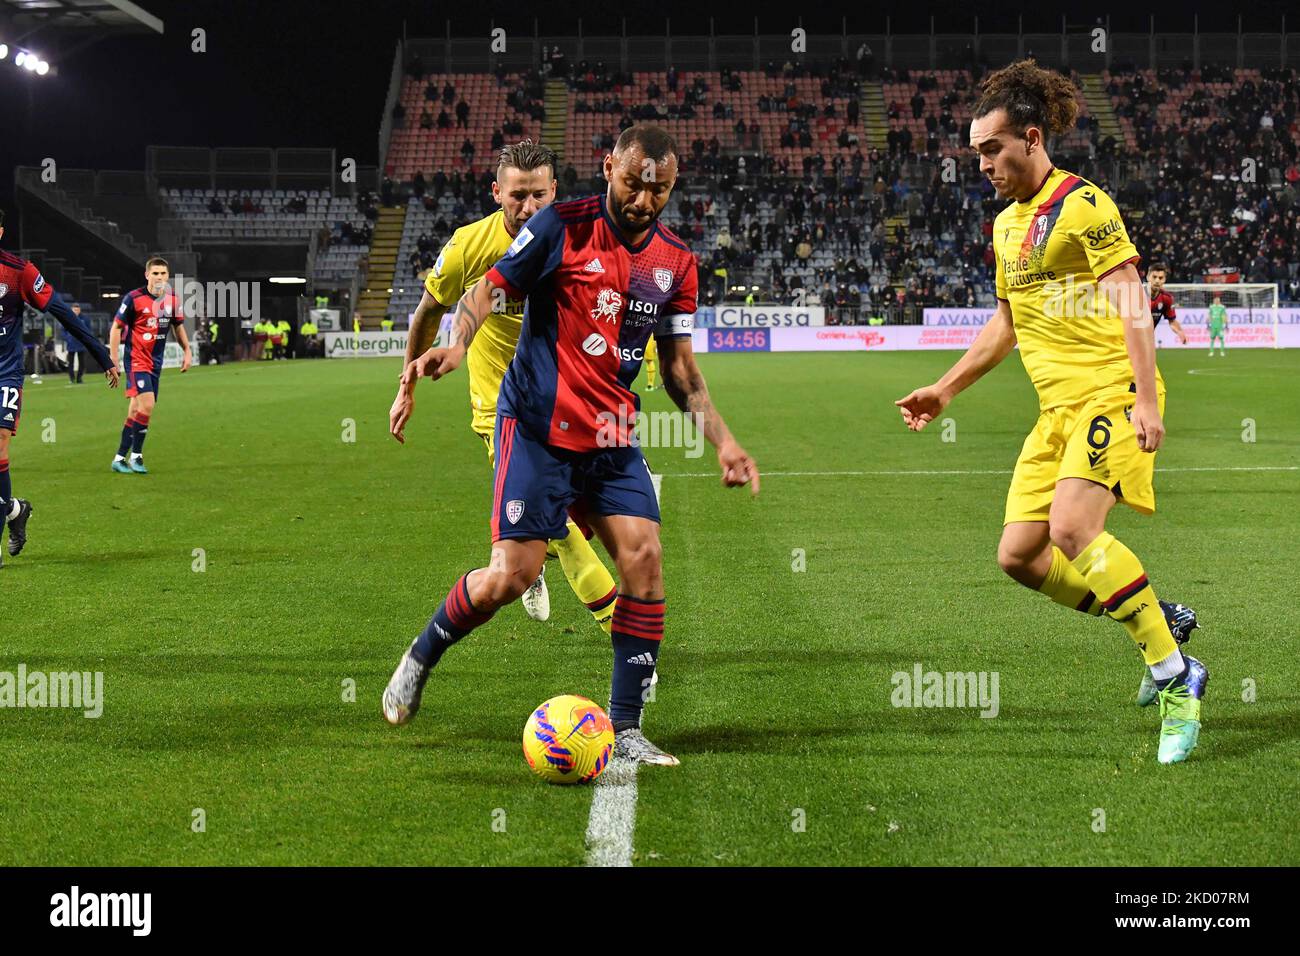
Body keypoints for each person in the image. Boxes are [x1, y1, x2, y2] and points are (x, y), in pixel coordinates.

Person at [383, 126, 759, 765]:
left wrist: (724, 442)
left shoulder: (675, 263)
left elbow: (680, 372)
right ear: (608, 166)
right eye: (634, 183)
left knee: (644, 558)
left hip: (611, 433)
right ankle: (423, 651)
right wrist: (458, 341)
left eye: (659, 189)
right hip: (535, 428)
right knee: (511, 577)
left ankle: (628, 727)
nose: (644, 199)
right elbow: (491, 288)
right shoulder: (561, 224)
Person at [894, 61, 1205, 765]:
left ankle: (1176, 679)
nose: (982, 164)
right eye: (976, 152)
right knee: (1019, 556)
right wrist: (945, 389)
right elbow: (1007, 323)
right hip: (1055, 411)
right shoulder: (1007, 228)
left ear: (1031, 139)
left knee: (1071, 529)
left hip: (1111, 395)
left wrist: (1148, 400)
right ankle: (1161, 621)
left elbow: (1133, 303)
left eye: (991, 149)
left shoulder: (1084, 206)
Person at [390, 140, 621, 637]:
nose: (528, 207)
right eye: (517, 196)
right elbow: (429, 311)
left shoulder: (580, 242)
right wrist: (406, 383)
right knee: (556, 518)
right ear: (496, 192)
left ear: (554, 190)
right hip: (499, 405)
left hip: (568, 399)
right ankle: (619, 629)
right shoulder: (468, 247)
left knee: (604, 514)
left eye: (539, 195)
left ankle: (527, 562)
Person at [1, 210, 120, 567]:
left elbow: (65, 313)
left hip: (5, 374)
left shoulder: (20, 272)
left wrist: (102, 355)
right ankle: (15, 511)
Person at [108, 256, 192, 474]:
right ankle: (137, 456)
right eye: (155, 273)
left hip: (156, 362)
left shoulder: (172, 300)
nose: (159, 277)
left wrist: (187, 350)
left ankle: (119, 458)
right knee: (148, 405)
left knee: (136, 411)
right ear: (147, 275)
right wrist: (113, 360)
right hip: (136, 360)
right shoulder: (134, 298)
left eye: (163, 273)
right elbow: (116, 328)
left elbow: (178, 327)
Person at [1146, 263, 1187, 346]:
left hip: (1147, 339)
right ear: (1148, 277)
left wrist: (1179, 332)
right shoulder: (1137, 295)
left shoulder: (1166, 298)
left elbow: (1172, 320)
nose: (1157, 280)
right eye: (1154, 277)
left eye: (1160, 278)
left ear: (1164, 280)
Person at [64, 303, 87, 383]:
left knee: (82, 363)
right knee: (71, 363)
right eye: (74, 310)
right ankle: (72, 378)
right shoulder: (67, 318)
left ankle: (79, 378)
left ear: (80, 310)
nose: (76, 311)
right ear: (71, 310)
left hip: (81, 344)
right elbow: (63, 331)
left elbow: (88, 330)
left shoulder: (85, 319)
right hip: (71, 344)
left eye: (77, 310)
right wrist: (67, 338)